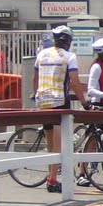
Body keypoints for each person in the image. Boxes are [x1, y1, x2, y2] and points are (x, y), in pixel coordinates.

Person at [33, 25, 81, 194]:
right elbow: (74, 82)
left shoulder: (42, 54)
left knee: (50, 144)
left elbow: (35, 78)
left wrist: (36, 95)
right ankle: (52, 181)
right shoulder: (70, 57)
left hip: (43, 102)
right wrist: (84, 102)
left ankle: (50, 176)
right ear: (68, 41)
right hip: (60, 102)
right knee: (58, 145)